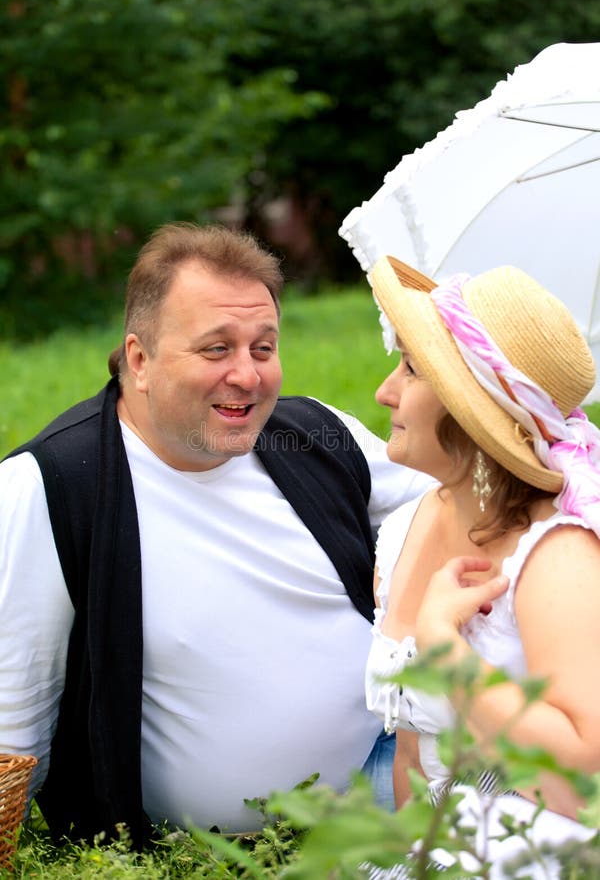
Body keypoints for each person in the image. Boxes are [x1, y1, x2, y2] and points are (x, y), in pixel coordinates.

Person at [0, 223, 430, 846]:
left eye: (263, 348)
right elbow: (16, 702)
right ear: (140, 360)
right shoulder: (55, 485)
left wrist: (406, 593)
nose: (248, 377)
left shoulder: (314, 433)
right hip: (252, 848)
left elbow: (451, 510)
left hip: (398, 761)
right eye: (215, 349)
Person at [364, 255, 600, 877]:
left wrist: (447, 649)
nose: (384, 391)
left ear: (471, 406)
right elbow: (411, 755)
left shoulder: (558, 558)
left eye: (412, 370)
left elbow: (580, 793)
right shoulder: (402, 531)